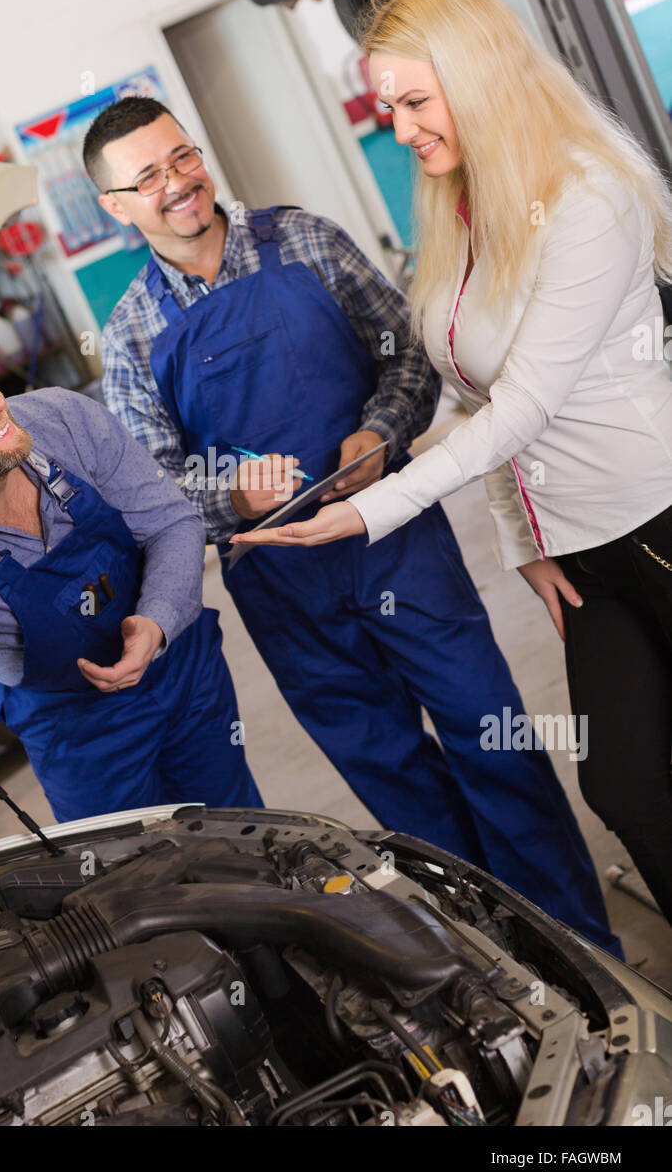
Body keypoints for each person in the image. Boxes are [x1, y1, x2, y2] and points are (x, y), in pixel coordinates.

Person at [81, 95, 620, 954]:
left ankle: (581, 948)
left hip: (394, 540)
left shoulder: (306, 240)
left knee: (493, 738)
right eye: (146, 177)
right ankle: (490, 963)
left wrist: (381, 432)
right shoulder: (130, 335)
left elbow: (408, 357)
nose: (176, 182)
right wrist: (231, 497)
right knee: (394, 780)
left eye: (182, 157)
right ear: (115, 208)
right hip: (283, 587)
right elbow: (154, 491)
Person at [234, 0, 672, 930]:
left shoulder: (586, 195)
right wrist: (526, 541)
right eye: (387, 108)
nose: (399, 129)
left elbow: (522, 408)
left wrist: (365, 512)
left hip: (656, 515)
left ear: (477, 76)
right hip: (587, 554)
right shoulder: (468, 206)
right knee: (627, 784)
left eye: (414, 103)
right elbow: (477, 401)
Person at [0, 359, 260, 981]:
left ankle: (278, 977)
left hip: (182, 671)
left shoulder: (64, 418)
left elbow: (171, 521)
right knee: (138, 896)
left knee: (242, 840)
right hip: (79, 730)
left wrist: (157, 621)